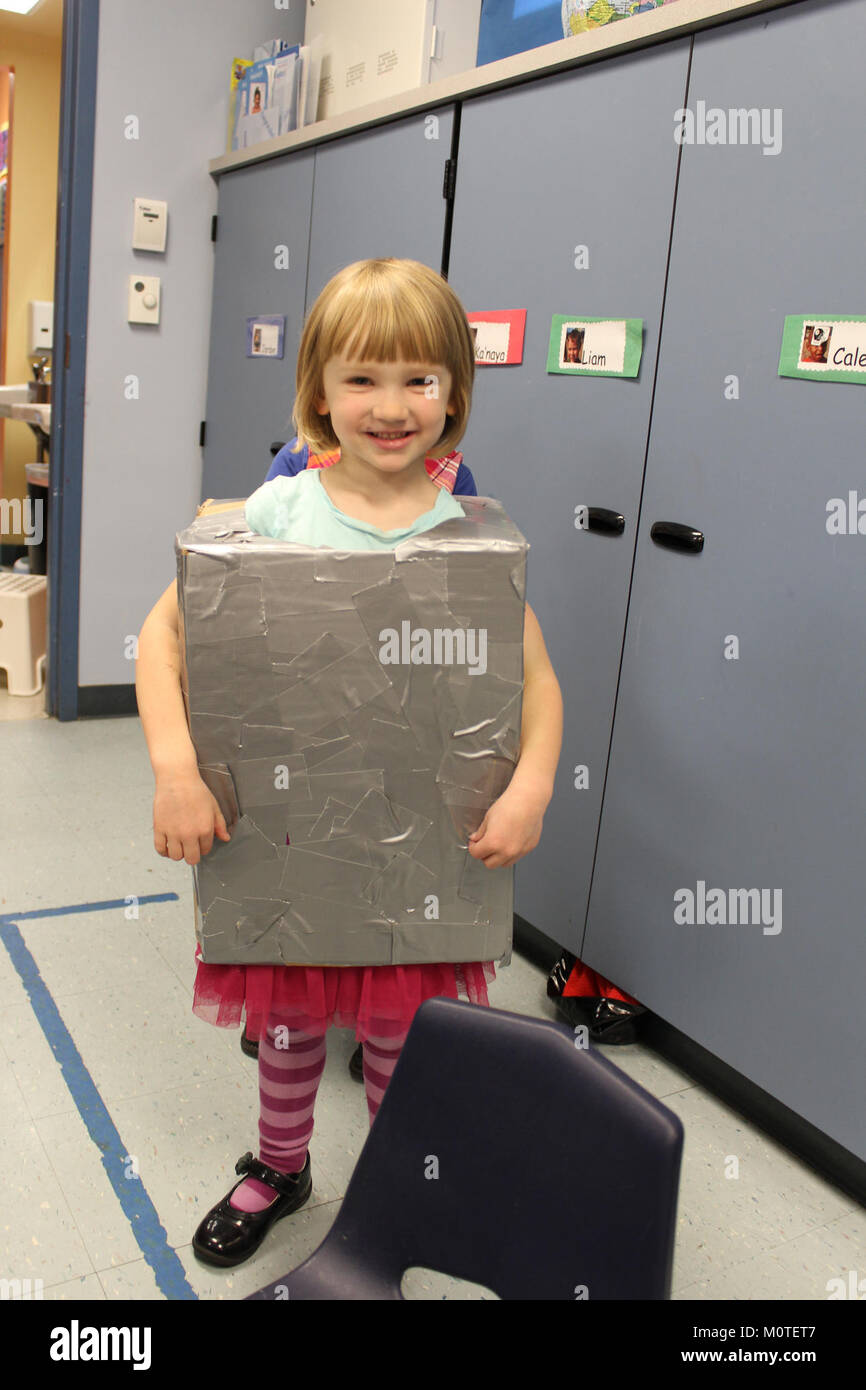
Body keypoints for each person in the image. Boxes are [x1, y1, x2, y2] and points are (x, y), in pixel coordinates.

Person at [135, 257, 563, 1269]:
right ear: (318, 393)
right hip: (290, 833)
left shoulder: (466, 532)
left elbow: (535, 678)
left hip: (423, 850)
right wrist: (175, 768)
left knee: (404, 1043)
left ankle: (401, 1185)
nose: (389, 404)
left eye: (418, 377)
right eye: (361, 378)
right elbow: (164, 639)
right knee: (287, 1024)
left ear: (454, 392)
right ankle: (280, 1166)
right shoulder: (278, 514)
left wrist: (534, 783)